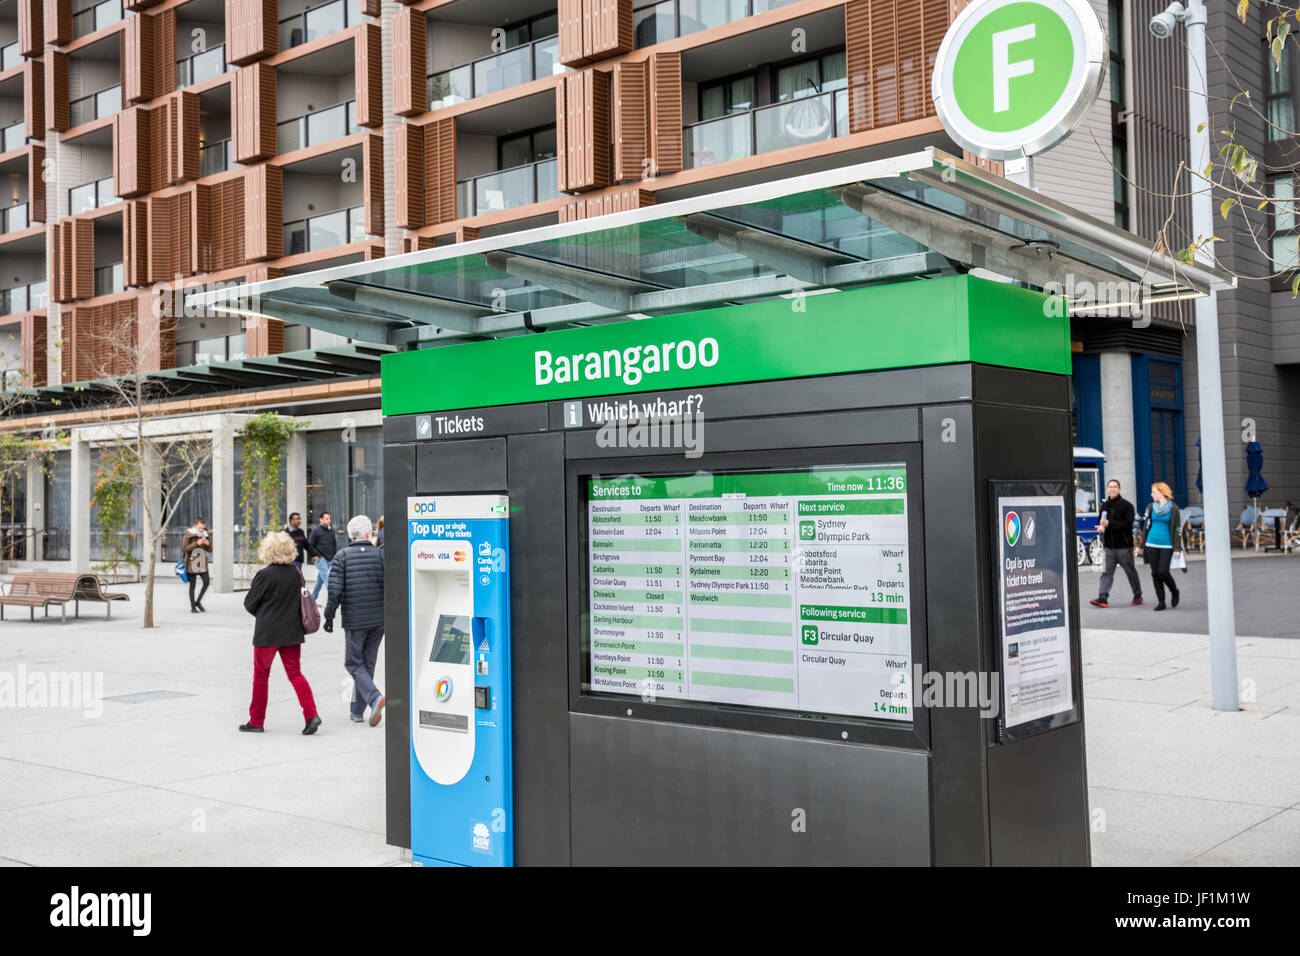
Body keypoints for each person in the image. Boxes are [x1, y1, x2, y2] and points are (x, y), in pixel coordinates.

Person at [240, 531, 321, 735]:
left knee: (261, 675)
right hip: (292, 632)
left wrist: (264, 613)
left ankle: (256, 720)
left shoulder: (264, 575)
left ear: (268, 551)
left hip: (267, 633)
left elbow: (249, 604)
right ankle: (311, 714)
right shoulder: (296, 573)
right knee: (295, 673)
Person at [323, 515, 386, 727]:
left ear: (350, 535)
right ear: (369, 533)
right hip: (379, 619)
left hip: (355, 619)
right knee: (366, 664)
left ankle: (375, 697)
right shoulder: (380, 556)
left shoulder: (341, 557)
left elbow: (335, 592)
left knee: (352, 662)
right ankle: (356, 711)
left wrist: (329, 616)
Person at [1089, 479, 1143, 608]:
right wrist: (1100, 527)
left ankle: (1137, 595)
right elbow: (1101, 521)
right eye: (1110, 487)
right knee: (1106, 573)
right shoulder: (1105, 505)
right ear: (1107, 489)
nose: (1112, 489)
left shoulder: (1127, 506)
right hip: (1109, 547)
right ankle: (1103, 597)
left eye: (1115, 487)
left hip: (1124, 546)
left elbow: (1127, 524)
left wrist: (1110, 524)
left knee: (1130, 572)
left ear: (1119, 489)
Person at [1140, 482, 1185, 611]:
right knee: (1155, 573)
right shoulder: (1150, 507)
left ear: (1161, 492)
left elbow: (1177, 529)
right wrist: (1141, 545)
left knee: (1163, 571)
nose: (1151, 494)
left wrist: (1177, 548)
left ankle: (1174, 591)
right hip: (1151, 543)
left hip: (1167, 544)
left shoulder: (1173, 508)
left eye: (1154, 491)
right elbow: (1146, 527)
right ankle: (1161, 601)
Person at [181, 518, 212, 613]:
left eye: (203, 528)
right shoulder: (189, 534)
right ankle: (193, 606)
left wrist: (207, 544)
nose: (201, 530)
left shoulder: (205, 534)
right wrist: (196, 543)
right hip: (191, 563)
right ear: (195, 525)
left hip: (202, 563)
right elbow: (184, 548)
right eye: (199, 528)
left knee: (206, 582)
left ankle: (198, 601)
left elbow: (210, 550)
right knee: (192, 586)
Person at [307, 512, 337, 604]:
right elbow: (310, 545)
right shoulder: (316, 531)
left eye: (329, 518)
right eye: (327, 519)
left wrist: (334, 556)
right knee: (327, 578)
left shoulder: (331, 530)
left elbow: (333, 544)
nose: (329, 520)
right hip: (321, 559)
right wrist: (315, 556)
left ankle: (312, 599)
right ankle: (335, 599)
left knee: (319, 581)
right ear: (321, 520)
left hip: (330, 559)